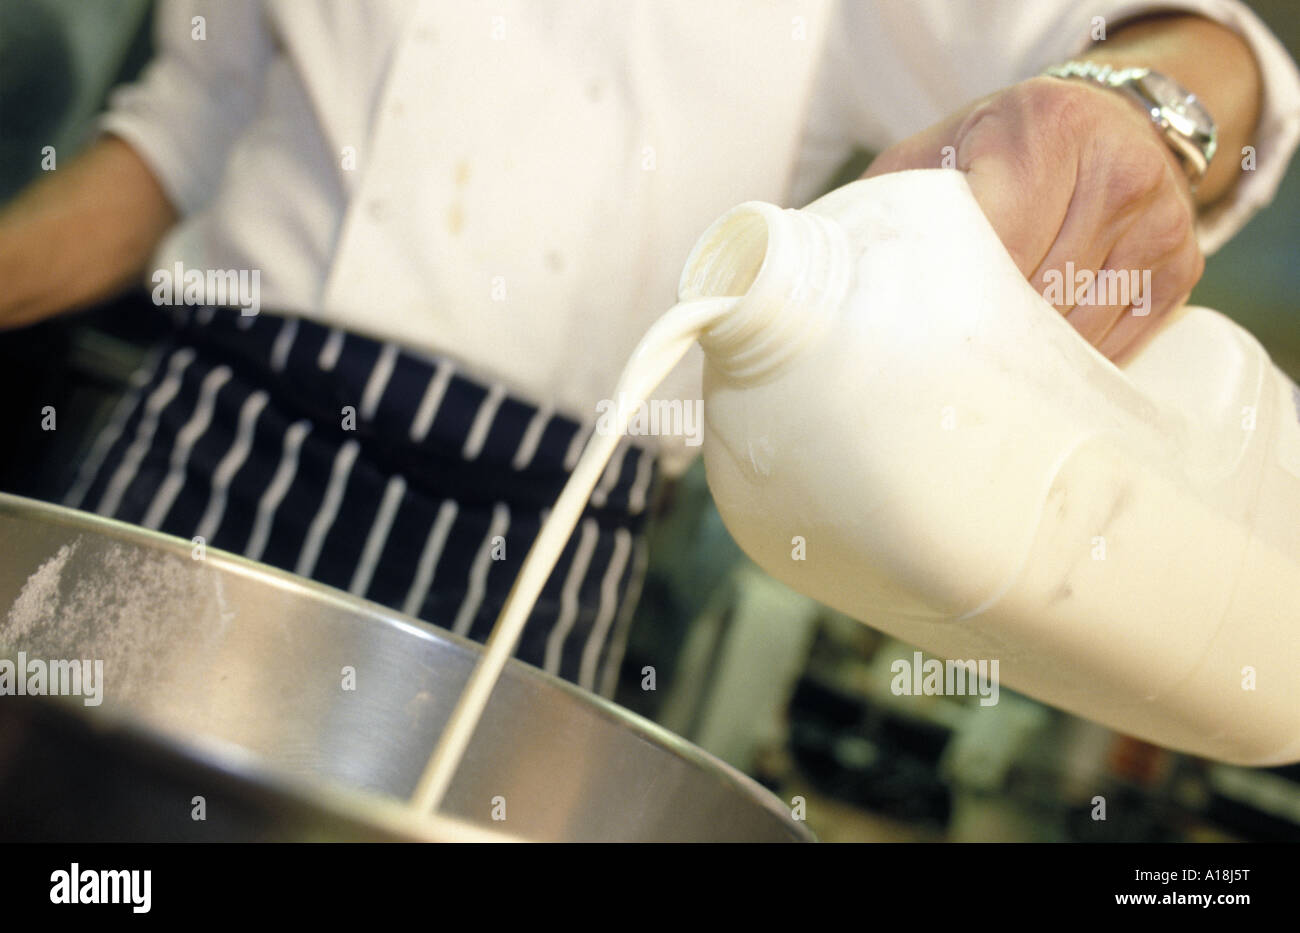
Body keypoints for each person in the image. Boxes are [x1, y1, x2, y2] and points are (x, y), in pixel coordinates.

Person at [0, 0, 1296, 696]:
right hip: (214, 451)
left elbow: (1212, 50)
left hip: (533, 529)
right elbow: (184, 131)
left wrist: (1129, 106)